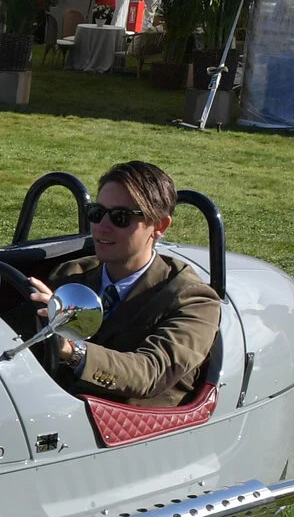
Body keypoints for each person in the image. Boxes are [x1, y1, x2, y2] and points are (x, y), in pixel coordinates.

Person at [24, 160, 221, 407]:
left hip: (138, 430)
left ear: (159, 226)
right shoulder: (70, 274)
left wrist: (70, 349)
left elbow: (150, 372)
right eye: (96, 213)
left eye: (121, 217)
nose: (102, 228)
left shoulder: (193, 299)